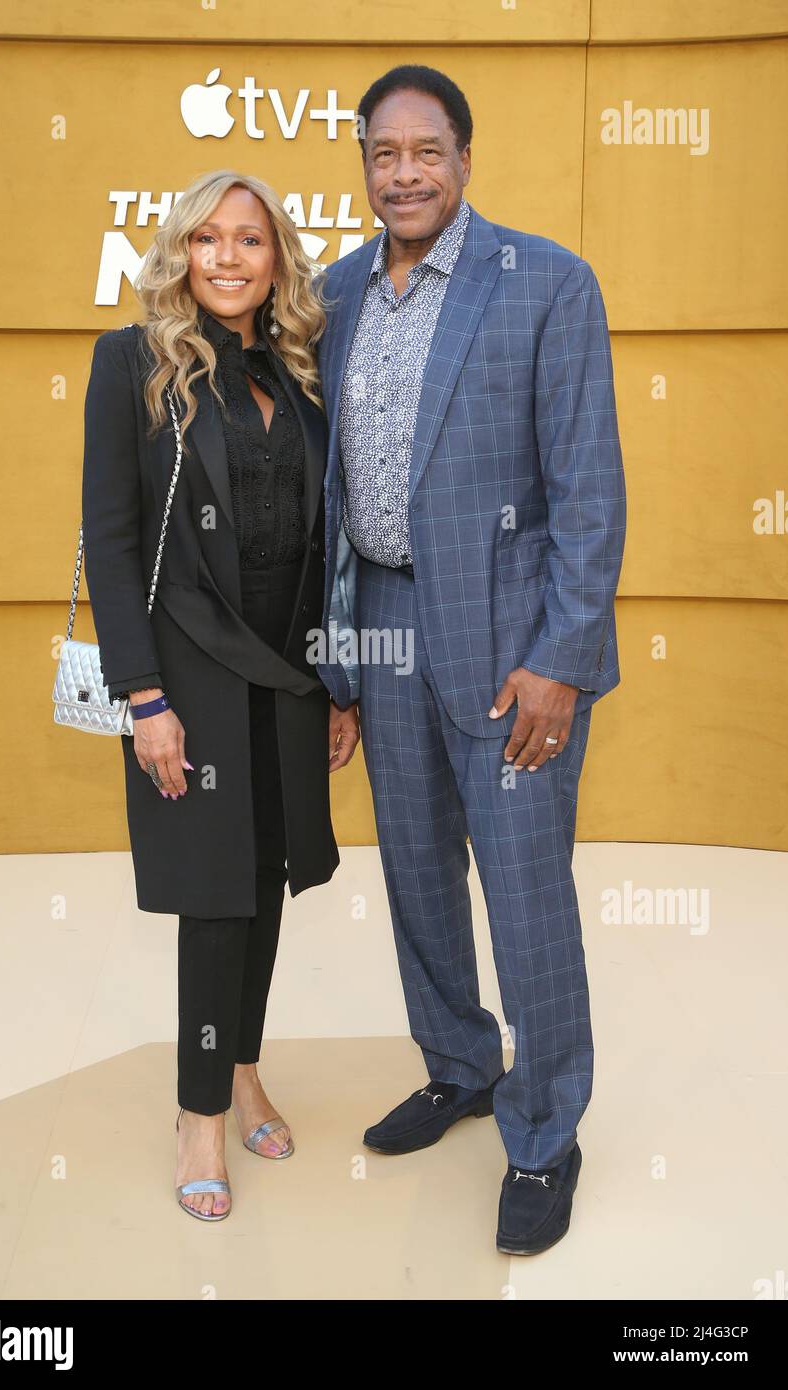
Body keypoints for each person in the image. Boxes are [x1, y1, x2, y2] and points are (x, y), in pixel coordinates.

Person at [315, 66, 626, 1254]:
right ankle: (459, 1064)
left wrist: (562, 659)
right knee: (414, 876)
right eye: (383, 152)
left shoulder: (545, 282)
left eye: (426, 150)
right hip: (387, 628)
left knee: (526, 895)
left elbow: (589, 494)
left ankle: (545, 1135)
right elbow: (335, 500)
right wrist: (340, 665)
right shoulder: (338, 293)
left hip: (510, 649)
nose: (404, 172)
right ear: (363, 163)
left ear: (464, 157)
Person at [81, 169, 360, 1222]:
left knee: (270, 875)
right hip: (188, 681)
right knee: (215, 896)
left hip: (286, 677)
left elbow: (326, 548)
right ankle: (201, 1113)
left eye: (251, 239)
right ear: (180, 255)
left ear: (277, 257)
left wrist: (337, 683)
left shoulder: (295, 376)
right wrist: (143, 696)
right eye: (210, 240)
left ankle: (244, 1069)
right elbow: (110, 537)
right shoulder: (131, 363)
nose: (232, 258)